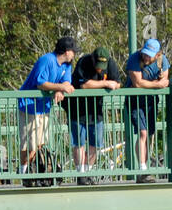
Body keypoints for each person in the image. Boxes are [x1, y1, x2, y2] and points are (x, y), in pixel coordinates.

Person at [18, 36, 76, 184]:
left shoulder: (67, 65)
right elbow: (40, 82)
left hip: (44, 106)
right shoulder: (47, 60)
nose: (74, 54)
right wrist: (61, 87)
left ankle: (35, 172)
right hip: (29, 105)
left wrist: (60, 90)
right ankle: (24, 174)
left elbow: (66, 81)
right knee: (29, 143)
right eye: (73, 51)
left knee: (40, 142)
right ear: (66, 51)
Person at [69, 46, 122, 185]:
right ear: (93, 59)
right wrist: (105, 83)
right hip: (77, 109)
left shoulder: (110, 63)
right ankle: (80, 173)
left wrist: (114, 85)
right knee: (79, 142)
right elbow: (84, 85)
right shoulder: (84, 62)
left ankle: (88, 172)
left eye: (102, 66)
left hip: (96, 110)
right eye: (98, 65)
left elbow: (117, 83)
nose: (100, 69)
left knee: (96, 142)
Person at [125, 38, 170, 182]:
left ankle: (145, 170)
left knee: (149, 134)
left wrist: (158, 82)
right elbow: (137, 83)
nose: (145, 57)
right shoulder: (134, 59)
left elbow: (165, 80)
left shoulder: (162, 61)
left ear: (157, 55)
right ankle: (143, 169)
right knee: (142, 132)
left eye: (149, 55)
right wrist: (156, 84)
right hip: (135, 101)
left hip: (150, 101)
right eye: (144, 53)